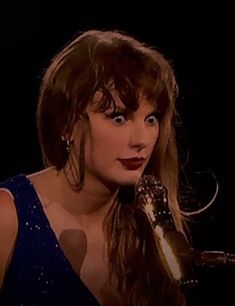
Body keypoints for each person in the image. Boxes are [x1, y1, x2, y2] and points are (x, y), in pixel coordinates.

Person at [0, 29, 187, 306]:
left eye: (151, 118)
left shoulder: (151, 225)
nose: (142, 140)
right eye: (119, 117)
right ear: (66, 124)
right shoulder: (8, 215)